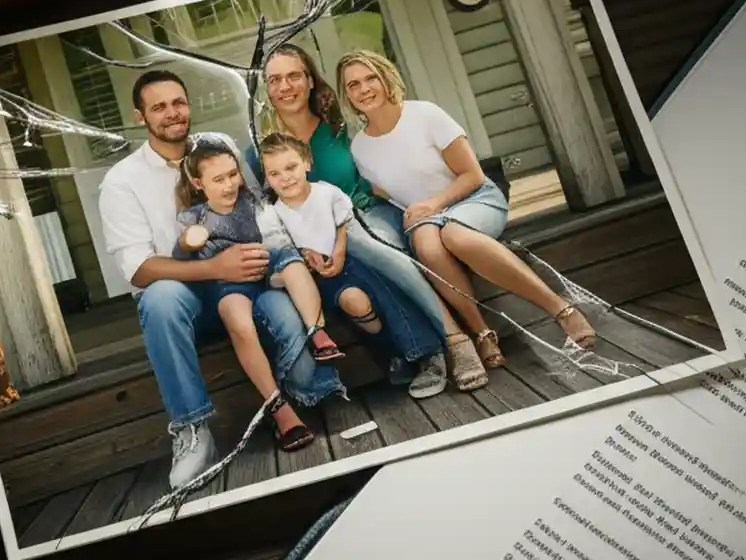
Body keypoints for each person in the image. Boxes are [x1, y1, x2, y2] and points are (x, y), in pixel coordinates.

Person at [98, 69, 345, 490]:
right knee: (158, 298)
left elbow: (260, 210)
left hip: (246, 280)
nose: (172, 113)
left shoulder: (218, 147)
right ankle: (193, 430)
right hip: (188, 298)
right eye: (159, 107)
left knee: (287, 321)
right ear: (140, 116)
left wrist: (296, 249)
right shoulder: (122, 181)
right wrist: (214, 268)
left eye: (178, 102)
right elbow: (138, 269)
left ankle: (303, 394)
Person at [247, 43, 489, 391]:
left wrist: (430, 200)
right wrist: (302, 252)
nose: (285, 86)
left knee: (364, 242)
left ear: (310, 80)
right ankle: (410, 353)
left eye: (294, 76)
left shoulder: (340, 126)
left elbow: (387, 160)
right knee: (355, 289)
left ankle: (454, 338)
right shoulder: (262, 150)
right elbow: (268, 216)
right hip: (319, 243)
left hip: (371, 215)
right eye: (275, 80)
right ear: (267, 89)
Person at [336, 49, 598, 369]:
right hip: (425, 220)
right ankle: (482, 331)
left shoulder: (424, 115)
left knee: (454, 235)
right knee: (427, 245)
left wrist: (433, 204)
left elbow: (473, 175)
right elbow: (386, 194)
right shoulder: (360, 147)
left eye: (370, 78)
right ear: (346, 94)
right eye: (353, 85)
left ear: (385, 78)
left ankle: (561, 309)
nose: (364, 89)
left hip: (473, 199)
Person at [172, 135, 337, 452]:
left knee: (290, 261)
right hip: (227, 284)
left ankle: (317, 332)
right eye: (218, 180)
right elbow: (181, 253)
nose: (229, 185)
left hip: (265, 268)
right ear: (198, 184)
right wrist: (189, 241)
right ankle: (278, 408)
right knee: (240, 323)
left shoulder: (254, 201)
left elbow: (278, 234)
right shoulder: (193, 216)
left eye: (232, 174)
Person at [260, 132, 447, 399]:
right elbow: (284, 258)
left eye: (291, 167)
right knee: (354, 302)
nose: (285, 178)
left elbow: (345, 224)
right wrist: (307, 260)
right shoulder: (275, 215)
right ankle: (394, 354)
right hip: (322, 281)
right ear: (267, 178)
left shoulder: (326, 193)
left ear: (307, 163)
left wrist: (338, 250)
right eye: (274, 173)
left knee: (382, 284)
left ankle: (426, 352)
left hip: (352, 260)